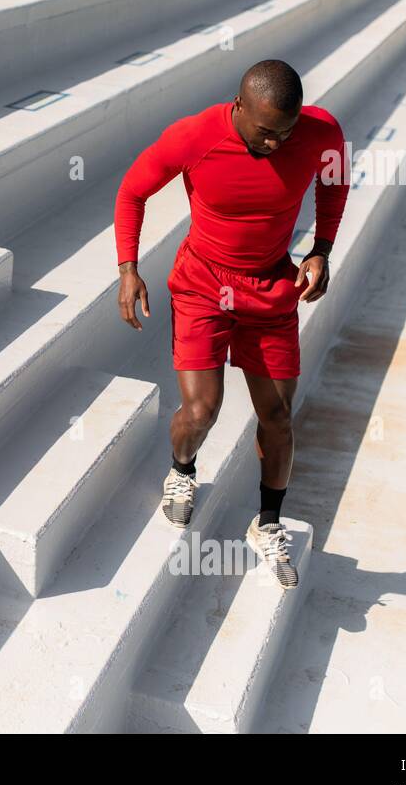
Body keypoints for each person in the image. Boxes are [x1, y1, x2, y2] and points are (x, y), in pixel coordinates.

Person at [113, 59, 349, 588]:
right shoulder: (193, 136)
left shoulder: (321, 131)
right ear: (238, 106)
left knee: (279, 418)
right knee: (201, 411)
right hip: (202, 284)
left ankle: (267, 523)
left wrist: (322, 250)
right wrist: (128, 270)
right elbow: (132, 191)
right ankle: (182, 471)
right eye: (265, 132)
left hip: (270, 288)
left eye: (285, 134)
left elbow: (333, 185)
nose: (275, 144)